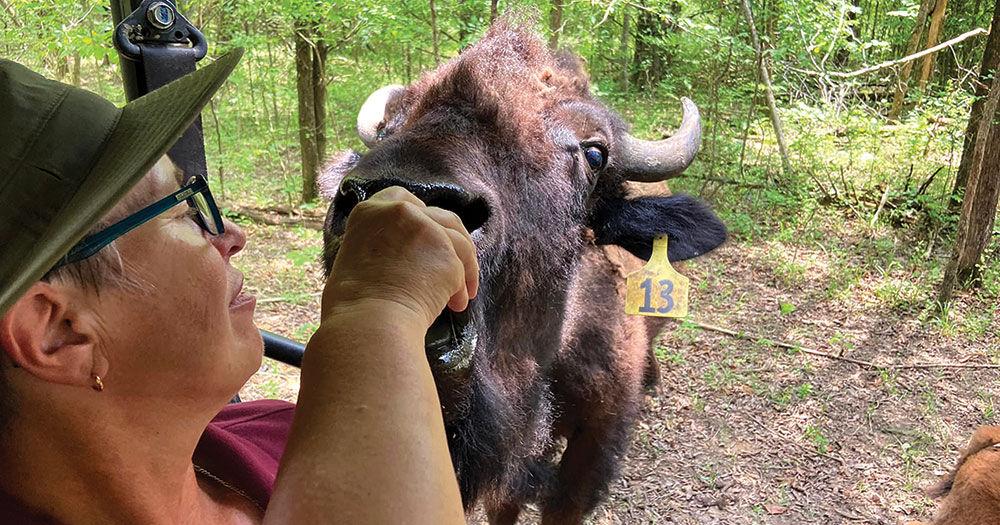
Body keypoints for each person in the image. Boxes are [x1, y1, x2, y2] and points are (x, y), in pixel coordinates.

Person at [0, 49, 477, 523]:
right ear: (58, 330)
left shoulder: (280, 433)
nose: (232, 236)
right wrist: (375, 312)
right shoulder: (306, 444)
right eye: (182, 211)